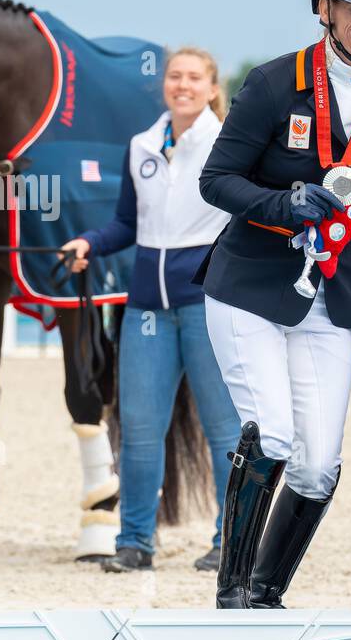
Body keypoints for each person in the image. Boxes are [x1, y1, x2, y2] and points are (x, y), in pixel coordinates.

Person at [197, 0, 351, 608]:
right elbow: (216, 179)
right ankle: (232, 593)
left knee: (319, 465)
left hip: (335, 291)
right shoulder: (274, 82)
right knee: (271, 434)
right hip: (251, 287)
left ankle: (267, 594)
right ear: (323, 7)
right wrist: (284, 204)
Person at [61, 48, 241, 573]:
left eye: (194, 77)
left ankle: (232, 541)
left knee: (224, 430)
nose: (182, 85)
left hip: (207, 302)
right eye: (174, 76)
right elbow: (126, 223)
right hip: (145, 306)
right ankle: (135, 542)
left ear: (212, 88)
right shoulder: (141, 144)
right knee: (139, 431)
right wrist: (90, 243)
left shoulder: (229, 144)